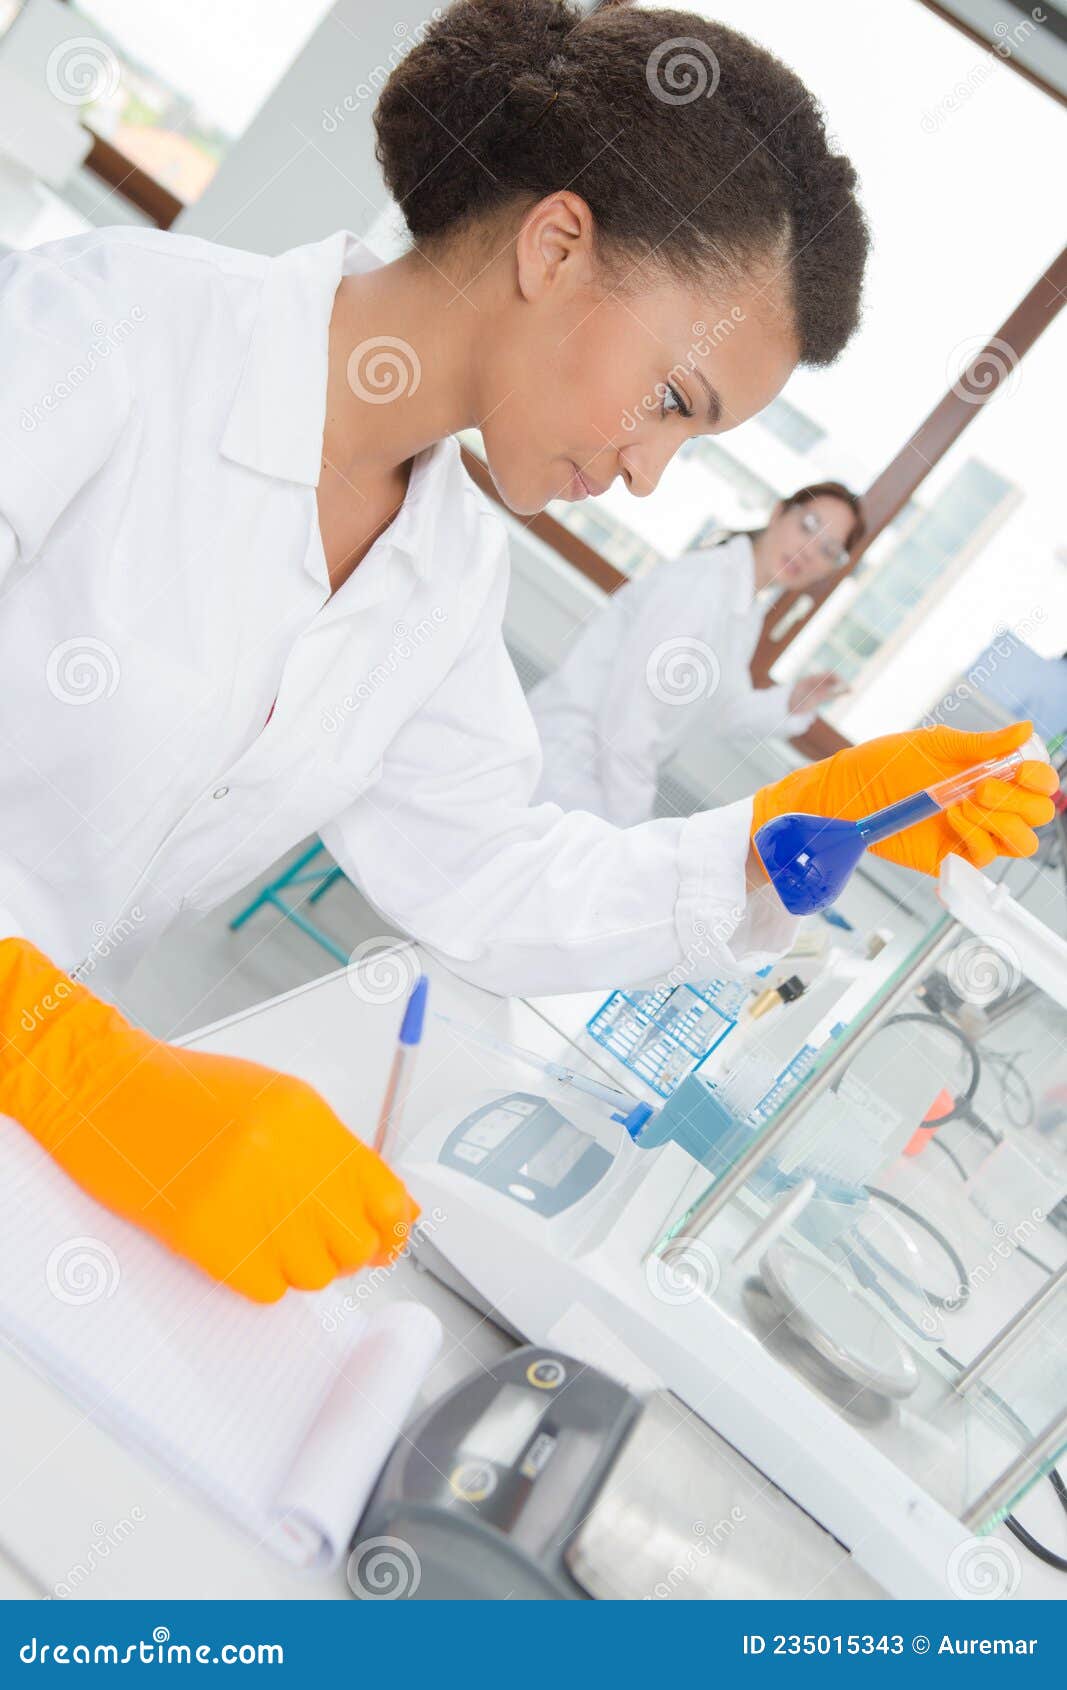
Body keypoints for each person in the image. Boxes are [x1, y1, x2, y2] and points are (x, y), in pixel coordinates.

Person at [0, 0, 1055, 1301]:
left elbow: (486, 872)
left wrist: (772, 837)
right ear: (555, 245)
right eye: (669, 399)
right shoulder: (112, 332)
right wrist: (54, 1054)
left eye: (693, 440)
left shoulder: (445, 568)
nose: (650, 473)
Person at [529, 482, 863, 825]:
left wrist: (794, 700)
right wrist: (635, 827)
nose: (808, 551)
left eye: (828, 550)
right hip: (566, 771)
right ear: (778, 513)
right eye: (808, 526)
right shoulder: (706, 584)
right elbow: (629, 717)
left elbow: (722, 709)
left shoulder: (745, 609)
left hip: (594, 784)